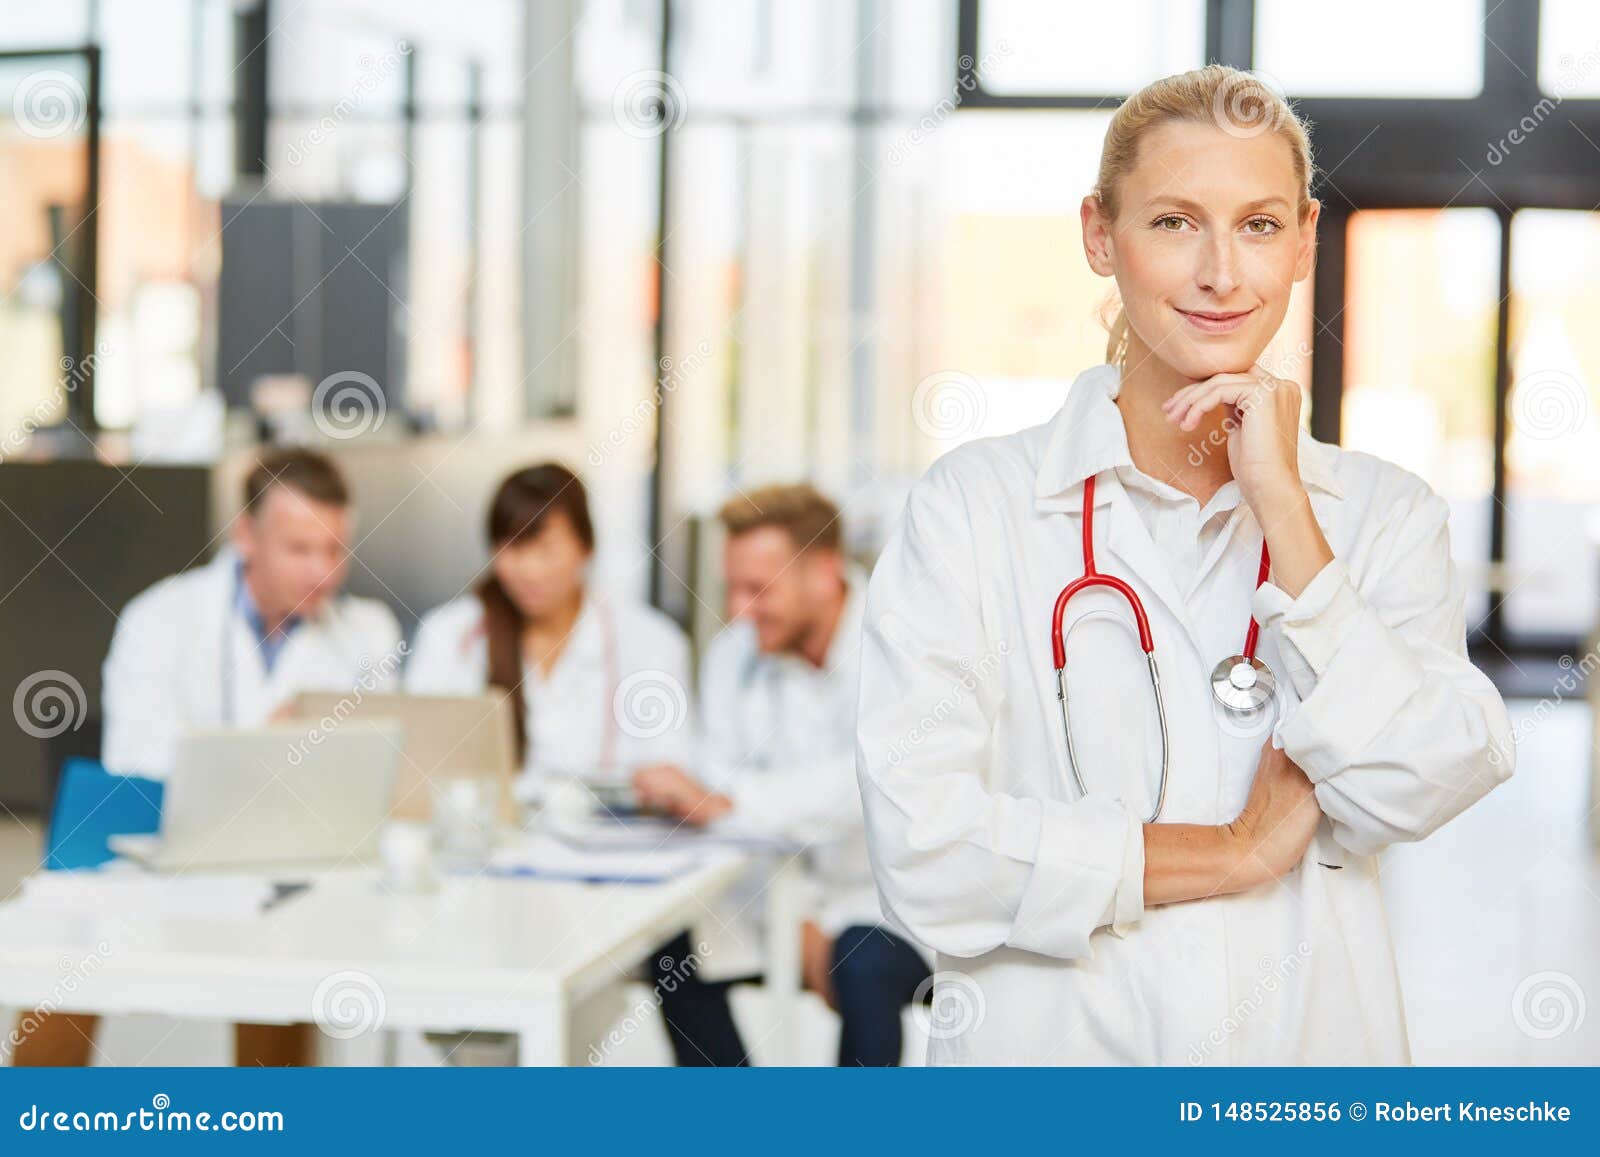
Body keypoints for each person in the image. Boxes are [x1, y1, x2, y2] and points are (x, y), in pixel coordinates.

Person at [854, 65, 1516, 1066]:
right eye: (1172, 222)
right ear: (1096, 236)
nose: (1220, 273)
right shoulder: (973, 510)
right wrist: (1234, 850)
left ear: (1302, 240)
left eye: (1256, 225)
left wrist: (1286, 512)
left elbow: (1421, 778)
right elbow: (927, 850)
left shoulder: (1379, 516)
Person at [16, 447, 401, 1067]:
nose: (322, 573)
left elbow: (371, 771)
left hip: (293, 852)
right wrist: (265, 743)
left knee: (287, 966)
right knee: (65, 960)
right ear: (246, 536)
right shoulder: (162, 615)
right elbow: (139, 758)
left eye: (335, 551)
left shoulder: (368, 632)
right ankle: (37, 1123)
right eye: (300, 549)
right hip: (148, 843)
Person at [633, 484, 931, 1067]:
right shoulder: (734, 654)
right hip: (769, 898)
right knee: (672, 956)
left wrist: (728, 803)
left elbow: (871, 786)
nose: (741, 609)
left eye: (759, 589)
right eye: (733, 588)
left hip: (886, 902)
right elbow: (716, 791)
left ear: (822, 574)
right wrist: (796, 920)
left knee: (861, 962)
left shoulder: (907, 642)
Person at [406, 462, 691, 792]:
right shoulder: (449, 635)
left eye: (546, 550)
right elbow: (420, 764)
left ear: (586, 547)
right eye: (513, 549)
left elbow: (671, 772)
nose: (529, 570)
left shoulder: (652, 641)